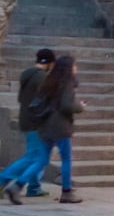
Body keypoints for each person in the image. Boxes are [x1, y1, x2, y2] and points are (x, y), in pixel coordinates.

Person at [0, 48, 56, 201]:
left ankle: (34, 187)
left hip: (27, 118)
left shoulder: (27, 74)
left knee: (36, 155)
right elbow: (44, 101)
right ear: (49, 63)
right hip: (36, 121)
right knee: (33, 157)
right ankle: (2, 179)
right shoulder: (42, 78)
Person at [29, 53, 84, 204]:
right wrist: (79, 106)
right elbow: (66, 105)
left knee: (42, 160)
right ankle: (66, 192)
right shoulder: (67, 83)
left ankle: (17, 184)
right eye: (74, 65)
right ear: (68, 68)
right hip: (60, 127)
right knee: (66, 159)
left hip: (47, 125)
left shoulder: (50, 80)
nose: (75, 68)